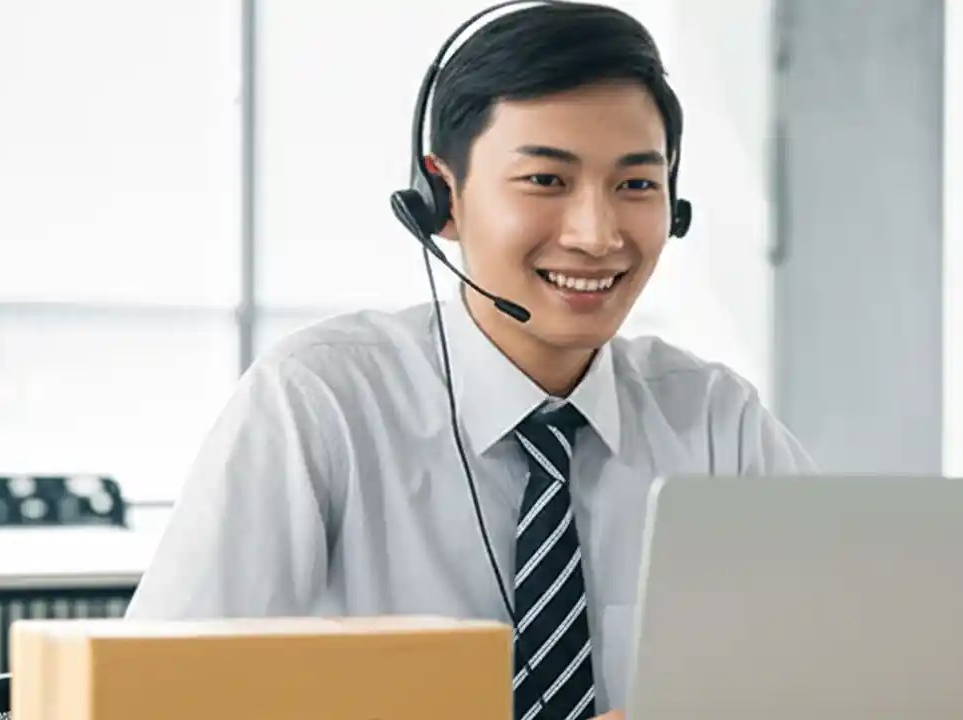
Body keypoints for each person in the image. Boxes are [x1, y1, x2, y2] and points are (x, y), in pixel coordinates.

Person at [125, 2, 814, 718]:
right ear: (441, 199)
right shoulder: (319, 403)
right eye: (547, 181)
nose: (597, 234)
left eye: (636, 184)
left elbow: (843, 662)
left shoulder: (713, 421)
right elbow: (156, 699)